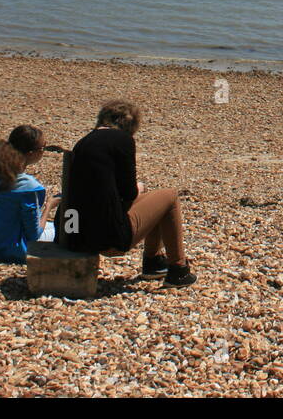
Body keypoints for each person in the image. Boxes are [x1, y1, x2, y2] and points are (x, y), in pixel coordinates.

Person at [56, 100, 195, 287]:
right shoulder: (122, 141)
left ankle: (154, 264)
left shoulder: (83, 143)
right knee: (169, 196)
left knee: (155, 201)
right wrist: (139, 188)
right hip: (108, 238)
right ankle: (178, 269)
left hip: (75, 235)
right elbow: (128, 193)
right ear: (131, 125)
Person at [0, 125, 60, 263]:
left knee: (51, 225)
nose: (43, 151)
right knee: (66, 230)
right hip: (10, 250)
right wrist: (49, 206)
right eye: (42, 148)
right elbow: (34, 234)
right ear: (31, 153)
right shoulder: (29, 187)